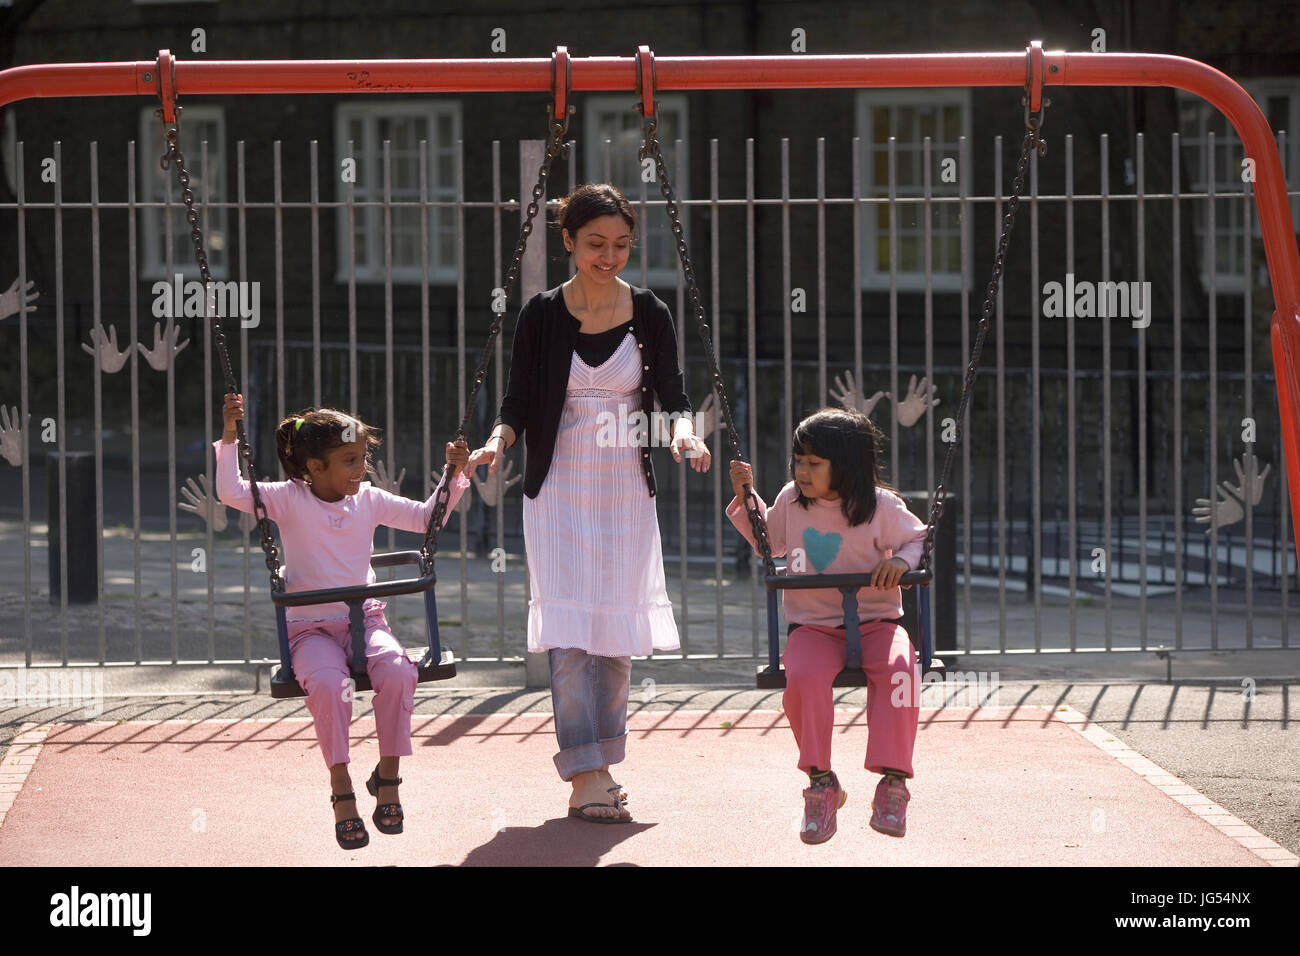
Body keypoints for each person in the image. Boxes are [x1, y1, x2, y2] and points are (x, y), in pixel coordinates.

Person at [471, 183, 711, 823]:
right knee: (572, 636)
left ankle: (603, 761)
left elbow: (672, 396)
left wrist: (684, 432)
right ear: (569, 242)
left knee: (615, 634)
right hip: (559, 491)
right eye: (596, 244)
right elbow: (517, 403)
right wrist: (496, 444)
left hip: (624, 492)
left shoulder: (650, 312)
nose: (609, 256)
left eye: (622, 245)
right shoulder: (541, 316)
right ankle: (583, 772)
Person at [215, 392, 477, 848]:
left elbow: (424, 520)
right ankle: (341, 788)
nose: (361, 470)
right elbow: (231, 492)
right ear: (315, 468)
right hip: (310, 630)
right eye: (350, 460)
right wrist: (229, 435)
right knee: (330, 685)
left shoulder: (369, 500)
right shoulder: (288, 500)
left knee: (398, 672)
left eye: (363, 459)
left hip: (366, 624)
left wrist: (452, 476)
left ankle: (389, 779)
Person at [726, 407, 927, 843]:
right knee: (802, 678)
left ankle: (893, 782)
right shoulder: (791, 502)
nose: (802, 470)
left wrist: (900, 560)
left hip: (878, 623)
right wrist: (747, 496)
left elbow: (920, 537)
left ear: (848, 464)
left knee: (901, 671)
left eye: (814, 463)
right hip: (813, 628)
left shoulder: (883, 507)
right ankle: (822, 783)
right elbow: (771, 540)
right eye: (799, 461)